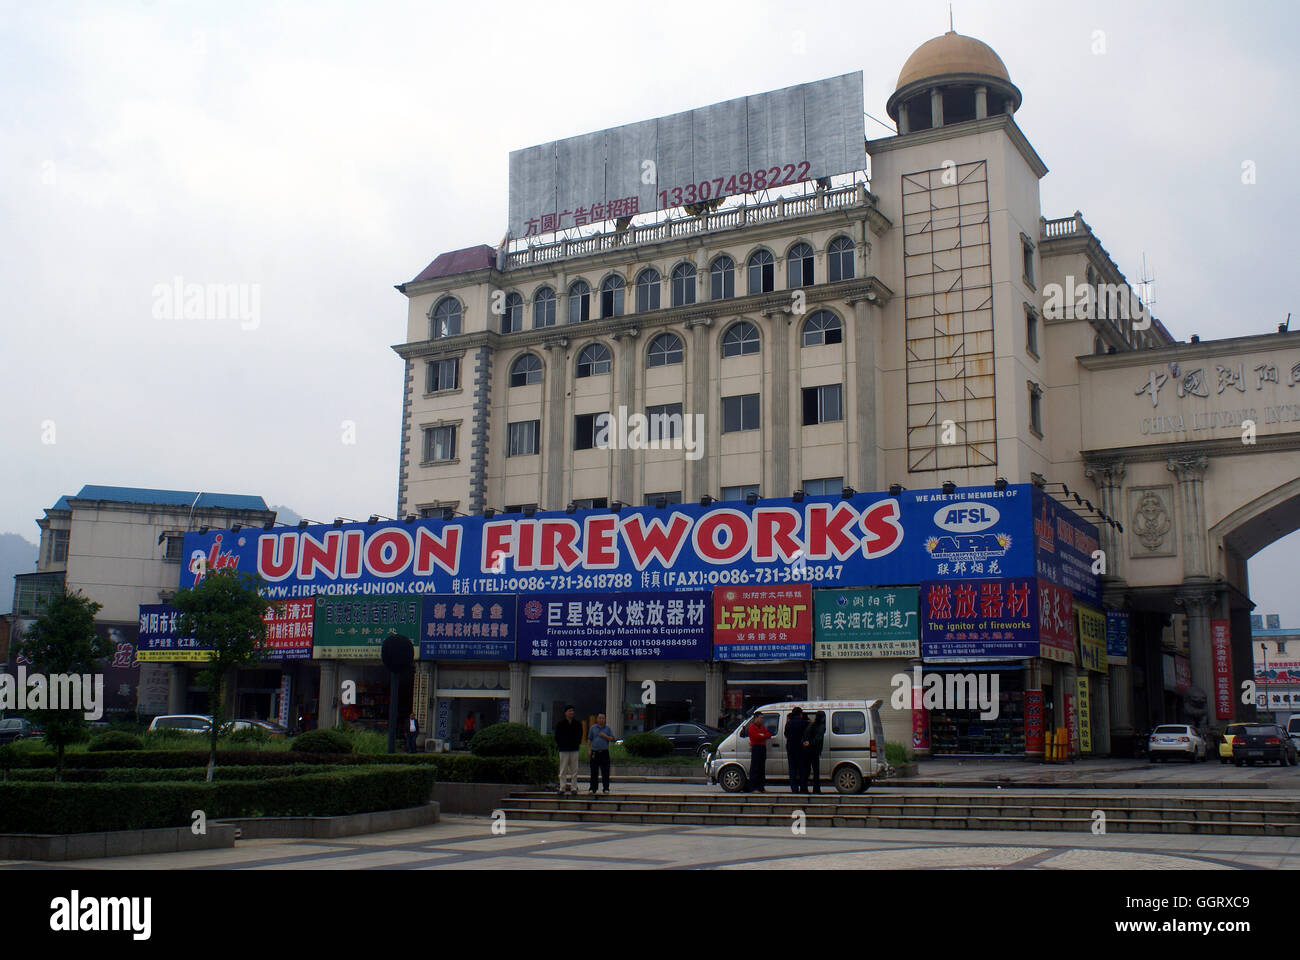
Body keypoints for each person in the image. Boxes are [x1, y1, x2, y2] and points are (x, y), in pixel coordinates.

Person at [554, 705, 583, 795]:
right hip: (563, 749)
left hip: (574, 749)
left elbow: (580, 735)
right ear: (565, 713)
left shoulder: (577, 724)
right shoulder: (560, 724)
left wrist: (577, 743)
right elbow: (557, 736)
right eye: (569, 711)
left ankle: (573, 787)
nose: (571, 713)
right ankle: (562, 787)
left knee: (574, 769)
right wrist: (561, 744)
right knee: (563, 770)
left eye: (572, 711)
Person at [587, 712, 615, 795]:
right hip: (595, 752)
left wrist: (605, 736)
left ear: (605, 719)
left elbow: (612, 739)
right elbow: (589, 739)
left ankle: (606, 788)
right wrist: (588, 749)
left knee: (605, 771)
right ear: (597, 719)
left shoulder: (607, 729)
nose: (601, 720)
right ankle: (593, 788)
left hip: (604, 752)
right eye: (600, 718)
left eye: (603, 718)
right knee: (594, 771)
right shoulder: (593, 728)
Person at [745, 712, 773, 793]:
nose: (762, 719)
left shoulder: (762, 727)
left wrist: (762, 735)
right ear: (756, 718)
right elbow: (755, 736)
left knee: (761, 768)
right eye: (760, 718)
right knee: (755, 768)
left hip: (762, 747)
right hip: (756, 747)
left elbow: (768, 734)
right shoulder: (751, 727)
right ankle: (753, 787)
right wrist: (762, 735)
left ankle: (761, 787)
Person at [785, 706, 809, 793]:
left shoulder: (788, 723)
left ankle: (794, 788)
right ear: (800, 714)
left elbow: (786, 734)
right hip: (801, 748)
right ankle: (803, 788)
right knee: (802, 769)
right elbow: (807, 734)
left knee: (792, 769)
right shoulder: (804, 723)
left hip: (790, 748)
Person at [801, 711, 825, 794]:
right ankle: (816, 789)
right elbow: (819, 738)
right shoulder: (821, 726)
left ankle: (804, 788)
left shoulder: (811, 725)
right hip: (814, 750)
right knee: (816, 770)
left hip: (806, 750)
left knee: (806, 770)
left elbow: (804, 735)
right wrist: (811, 743)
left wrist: (805, 742)